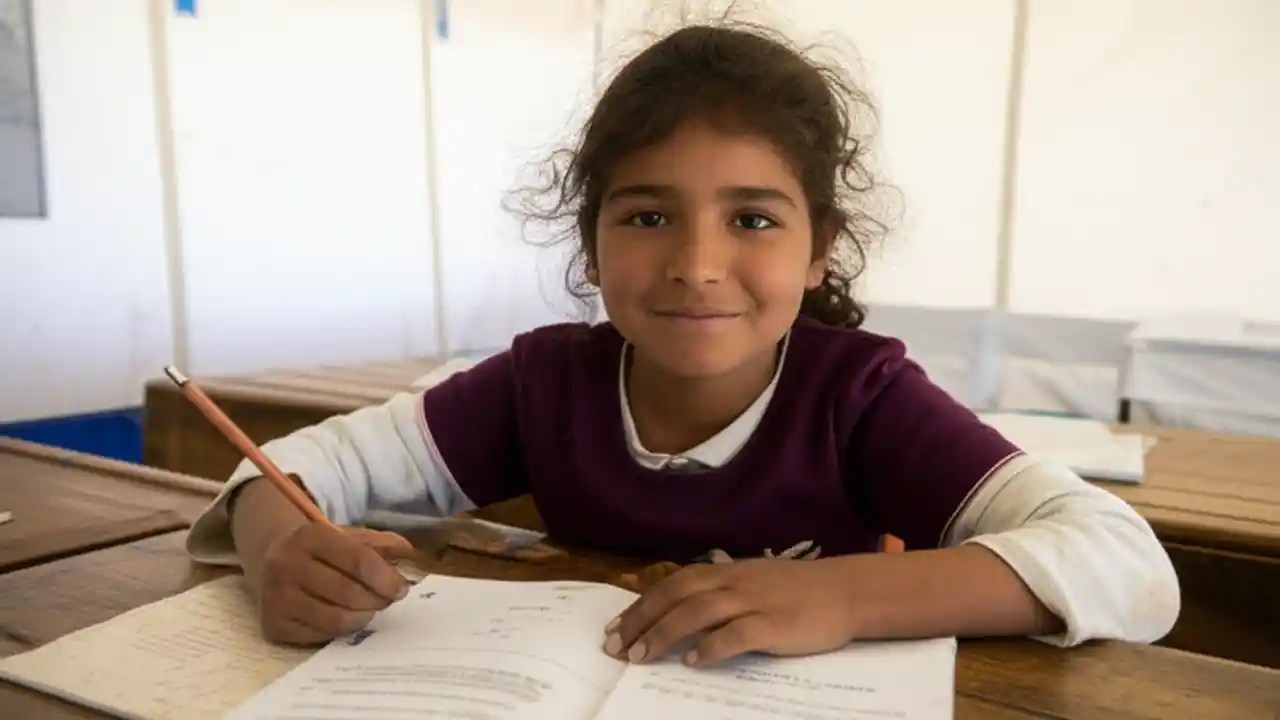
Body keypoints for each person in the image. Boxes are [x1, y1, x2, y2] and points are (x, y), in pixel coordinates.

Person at [187, 23, 1179, 668]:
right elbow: (293, 469)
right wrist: (280, 552)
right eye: (648, 217)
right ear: (591, 244)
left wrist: (839, 595)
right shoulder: (540, 386)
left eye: (752, 220)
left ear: (818, 249)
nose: (697, 266)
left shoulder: (860, 400)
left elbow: (1124, 560)